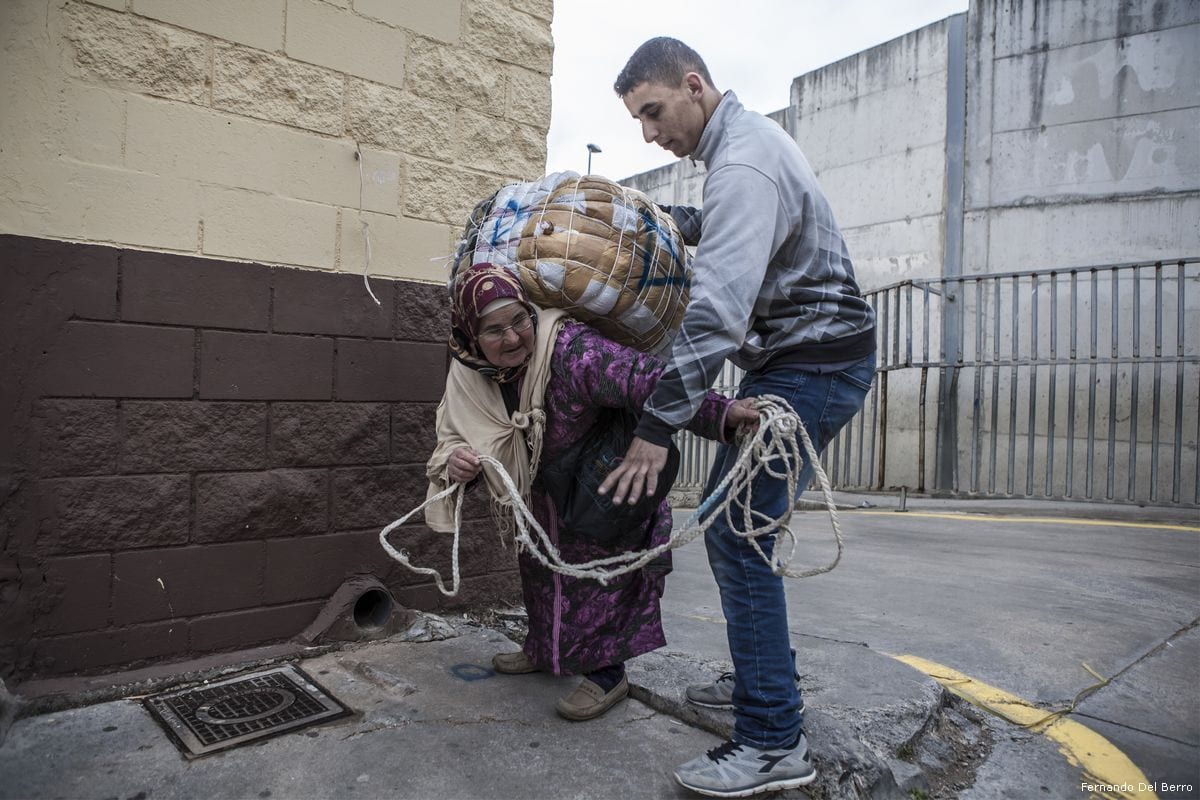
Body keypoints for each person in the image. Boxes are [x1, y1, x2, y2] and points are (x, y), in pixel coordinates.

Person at [603, 37, 877, 796]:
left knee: (734, 532)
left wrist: (656, 429)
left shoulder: (744, 163)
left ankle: (772, 739)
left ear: (694, 85)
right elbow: (740, 230)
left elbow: (718, 314)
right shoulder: (743, 151)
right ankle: (765, 679)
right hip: (806, 358)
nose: (649, 133)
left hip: (814, 366)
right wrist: (673, 220)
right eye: (637, 120)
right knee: (741, 530)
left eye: (654, 111)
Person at [424, 262, 758, 722]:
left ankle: (607, 675)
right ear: (471, 335)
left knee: (600, 578)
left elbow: (646, 379)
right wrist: (459, 461)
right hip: (541, 495)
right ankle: (544, 649)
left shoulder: (569, 348)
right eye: (495, 330)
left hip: (601, 482)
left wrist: (721, 412)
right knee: (541, 573)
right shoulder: (469, 372)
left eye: (519, 320)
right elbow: (459, 433)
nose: (514, 337)